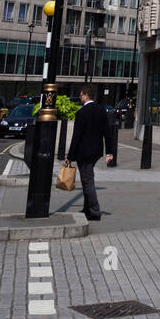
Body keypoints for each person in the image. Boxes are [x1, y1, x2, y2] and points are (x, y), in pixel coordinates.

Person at [65, 84, 113, 221]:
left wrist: (69, 156)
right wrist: (110, 152)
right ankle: (87, 209)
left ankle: (94, 211)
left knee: (87, 180)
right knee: (87, 178)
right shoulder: (101, 110)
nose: (80, 97)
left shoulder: (81, 113)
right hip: (96, 151)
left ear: (86, 95)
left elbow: (77, 136)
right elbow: (107, 133)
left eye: (80, 95)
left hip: (84, 152)